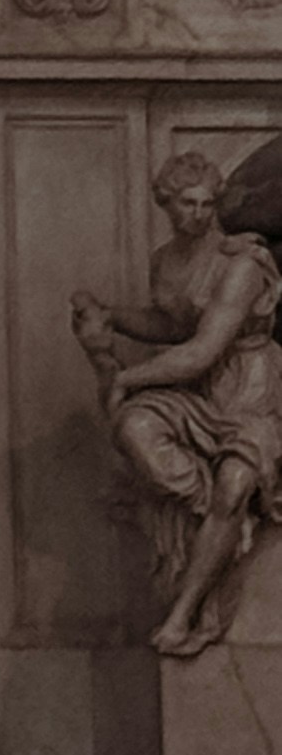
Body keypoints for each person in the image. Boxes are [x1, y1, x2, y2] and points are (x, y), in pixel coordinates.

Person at [76, 147, 282, 654]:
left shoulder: (243, 263)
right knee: (134, 429)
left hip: (249, 387)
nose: (199, 213)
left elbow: (203, 349)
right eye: (187, 204)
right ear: (165, 205)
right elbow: (172, 325)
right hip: (199, 389)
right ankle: (211, 518)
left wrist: (130, 378)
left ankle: (183, 613)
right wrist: (113, 317)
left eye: (208, 203)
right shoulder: (165, 262)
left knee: (234, 482)